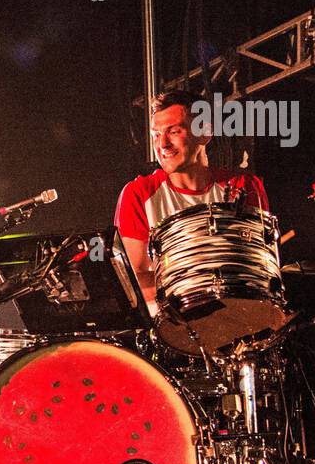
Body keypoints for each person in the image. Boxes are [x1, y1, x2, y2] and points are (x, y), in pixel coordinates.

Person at [115, 89, 269, 312]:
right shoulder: (138, 193)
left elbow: (261, 265)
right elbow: (132, 279)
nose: (162, 145)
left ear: (205, 133)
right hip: (172, 330)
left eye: (174, 131)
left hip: (241, 321)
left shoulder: (244, 186)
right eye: (156, 135)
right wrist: (197, 287)